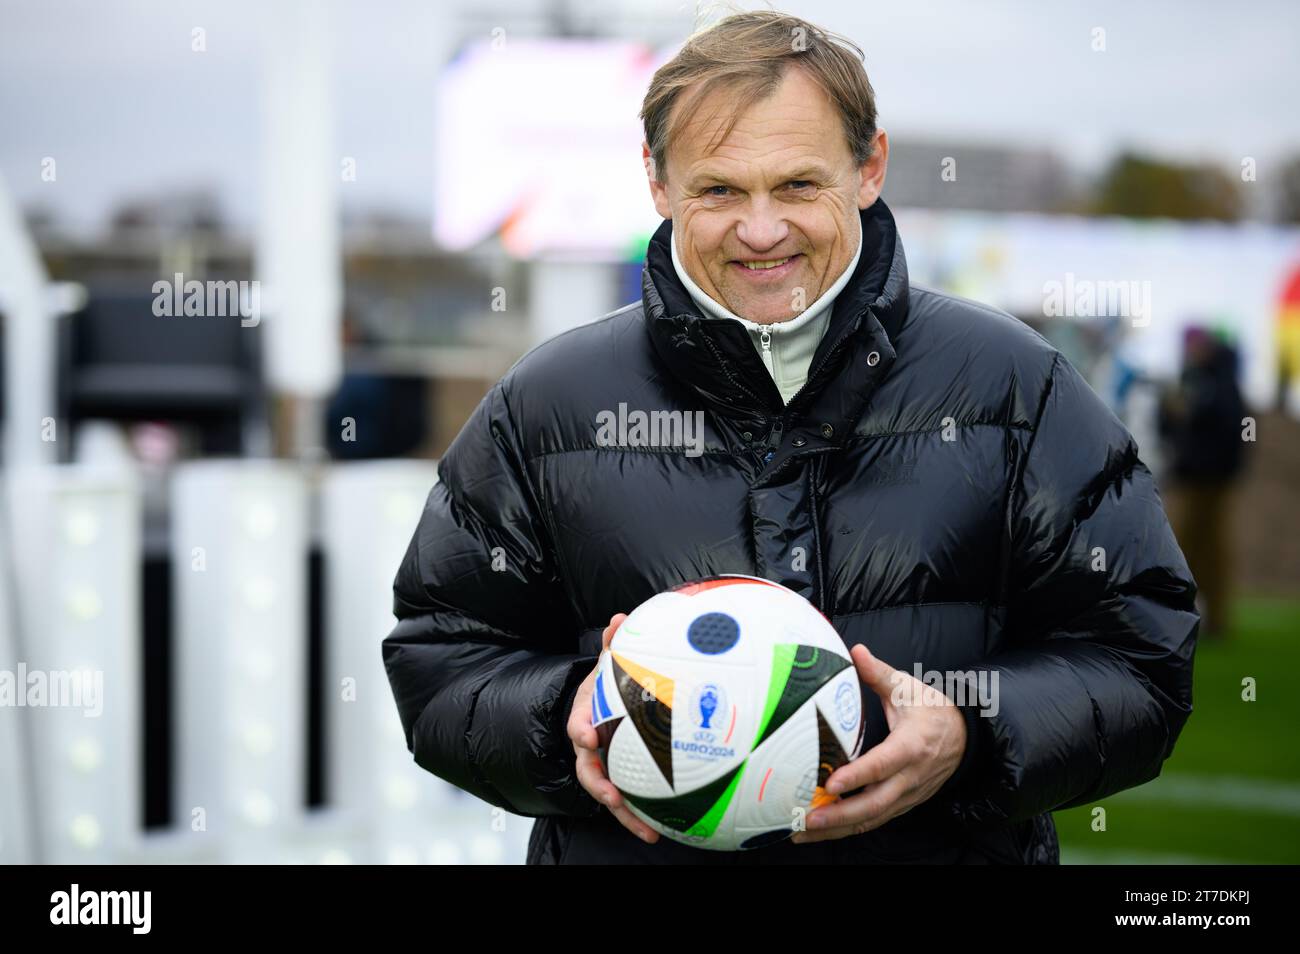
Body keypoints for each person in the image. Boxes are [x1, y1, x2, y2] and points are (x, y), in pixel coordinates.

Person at [382, 10, 1199, 865]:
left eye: (798, 186)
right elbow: (442, 661)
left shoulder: (1015, 387)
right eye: (719, 190)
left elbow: (1141, 657)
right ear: (659, 185)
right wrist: (563, 717)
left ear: (869, 167)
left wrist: (972, 734)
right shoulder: (546, 405)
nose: (761, 230)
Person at [1159, 326, 1248, 639]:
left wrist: (1186, 415)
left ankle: (1199, 619)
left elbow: (1221, 430)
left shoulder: (1217, 384)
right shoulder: (1207, 380)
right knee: (1199, 548)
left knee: (1194, 547)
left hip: (1206, 480)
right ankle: (1202, 619)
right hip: (1197, 478)